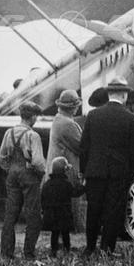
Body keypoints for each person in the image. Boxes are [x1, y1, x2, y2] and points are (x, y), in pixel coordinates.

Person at [79, 79, 134, 257]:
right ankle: (107, 249)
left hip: (94, 171)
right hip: (119, 173)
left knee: (93, 209)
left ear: (109, 94)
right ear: (124, 96)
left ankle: (89, 247)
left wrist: (83, 170)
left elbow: (84, 146)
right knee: (113, 211)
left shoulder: (93, 116)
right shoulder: (131, 119)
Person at [0, 102, 46, 260]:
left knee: (10, 214)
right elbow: (38, 162)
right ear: (32, 117)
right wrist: (41, 174)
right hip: (29, 174)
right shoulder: (33, 136)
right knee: (33, 214)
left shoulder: (8, 133)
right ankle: (29, 252)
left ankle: (6, 252)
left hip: (12, 173)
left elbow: (2, 158)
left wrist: (10, 169)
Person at [46, 90, 84, 233]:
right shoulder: (67, 124)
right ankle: (74, 233)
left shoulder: (58, 119)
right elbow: (81, 147)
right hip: (67, 171)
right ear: (73, 107)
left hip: (57, 170)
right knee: (72, 204)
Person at [41, 157, 79, 257]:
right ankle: (67, 249)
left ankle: (53, 251)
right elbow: (74, 193)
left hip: (51, 214)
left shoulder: (47, 184)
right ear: (63, 170)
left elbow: (43, 198)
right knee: (65, 233)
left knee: (54, 233)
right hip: (64, 214)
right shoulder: (66, 184)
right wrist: (83, 186)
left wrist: (44, 210)